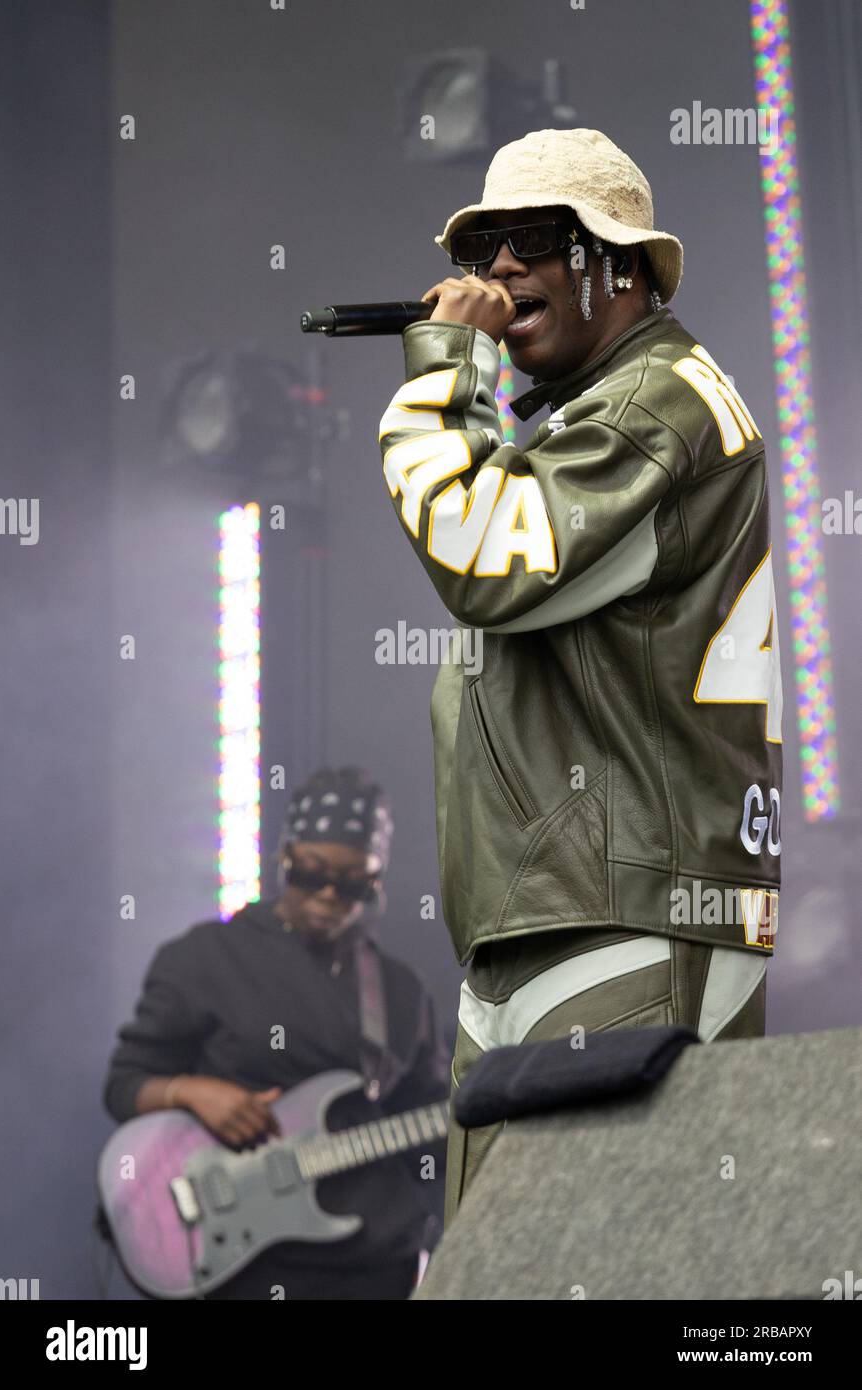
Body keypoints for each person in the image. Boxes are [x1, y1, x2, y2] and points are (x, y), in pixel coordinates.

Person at [377, 128, 783, 1223]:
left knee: (607, 1263)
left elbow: (476, 554)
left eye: (534, 242)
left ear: (622, 265)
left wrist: (442, 378)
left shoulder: (662, 401)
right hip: (551, 917)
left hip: (632, 914)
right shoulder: (589, 416)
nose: (498, 271)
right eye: (484, 246)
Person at [103, 766, 449, 1299]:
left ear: (376, 881)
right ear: (284, 857)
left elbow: (432, 1114)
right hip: (244, 1252)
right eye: (312, 873)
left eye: (353, 881)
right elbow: (125, 1085)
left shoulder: (400, 990)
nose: (330, 893)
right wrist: (190, 1092)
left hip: (372, 1259)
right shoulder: (203, 958)